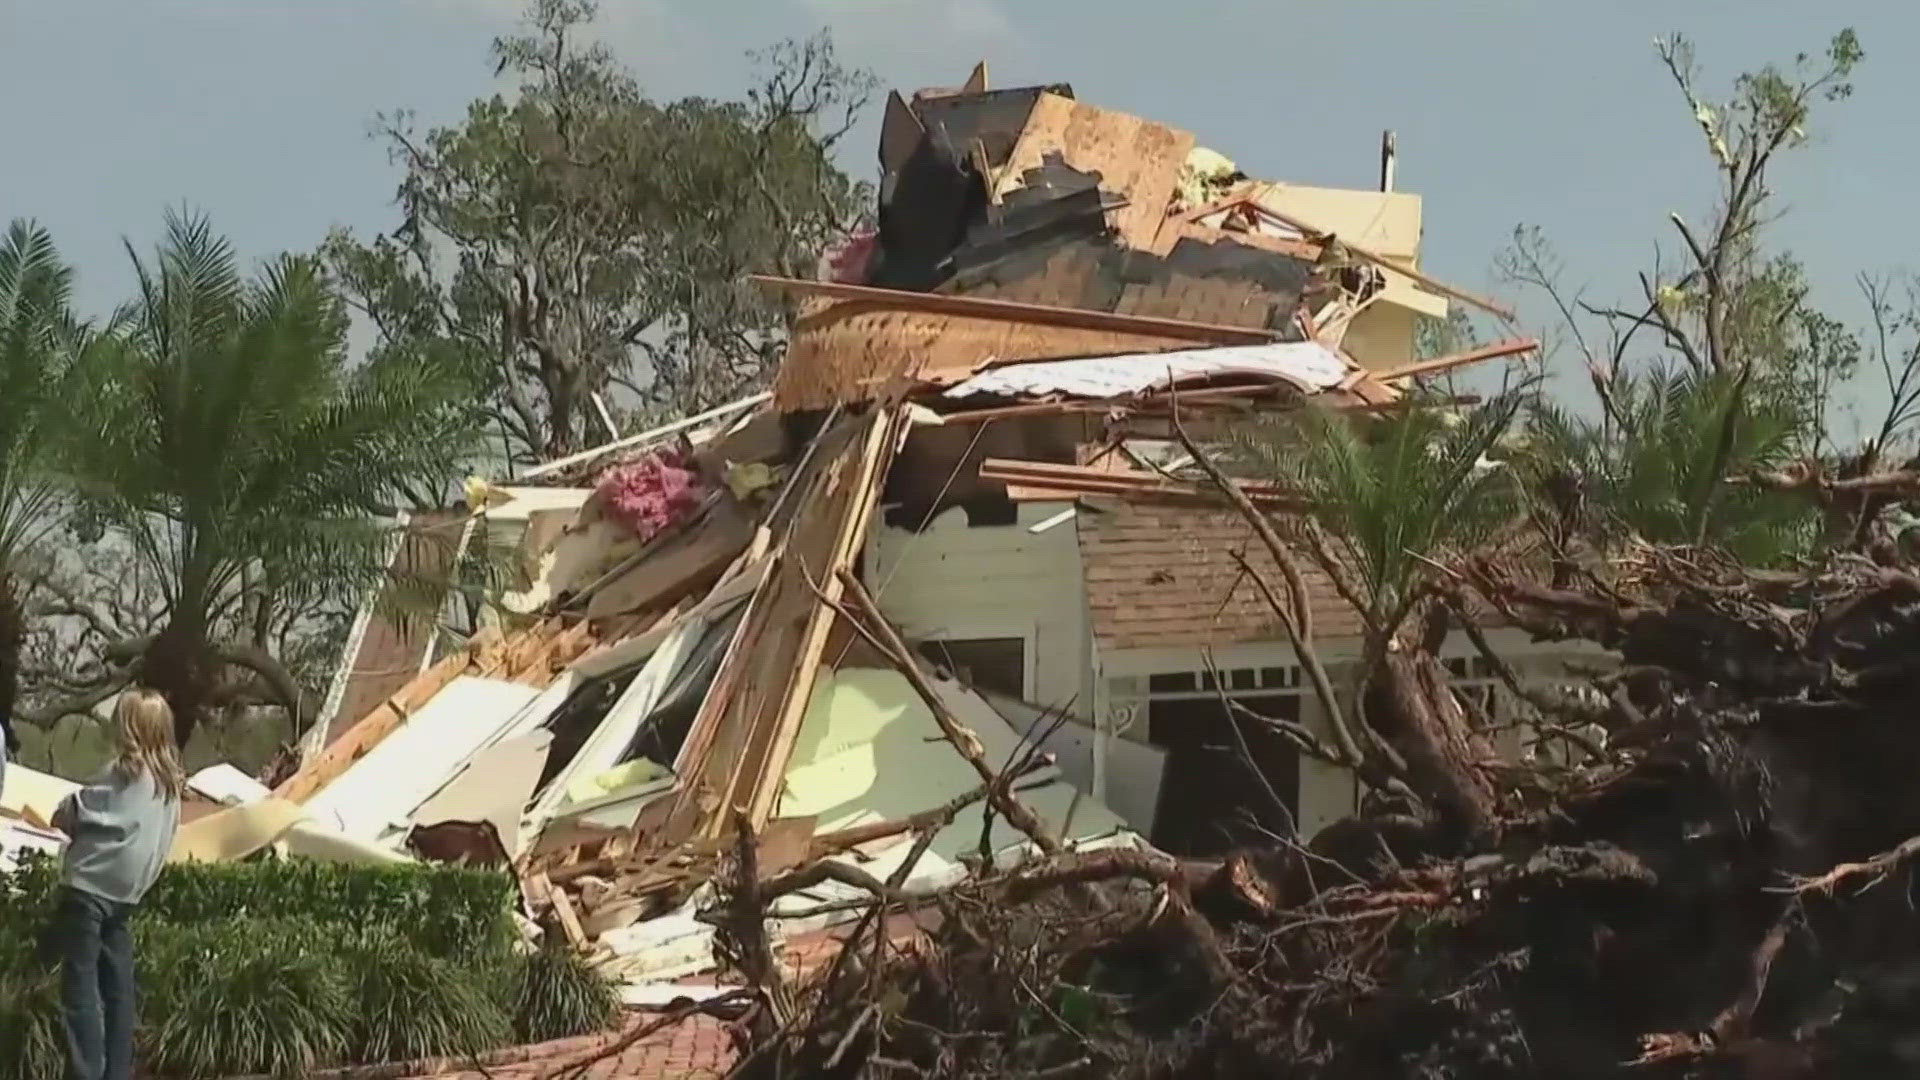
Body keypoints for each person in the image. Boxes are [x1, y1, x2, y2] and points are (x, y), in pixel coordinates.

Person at [48, 689, 183, 1080]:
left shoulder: (124, 772)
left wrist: (63, 815)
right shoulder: (170, 785)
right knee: (119, 989)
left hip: (88, 889)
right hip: (125, 897)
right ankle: (118, 1072)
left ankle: (86, 1072)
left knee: (81, 989)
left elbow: (77, 809)